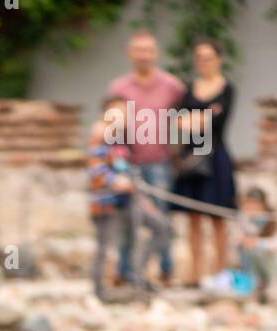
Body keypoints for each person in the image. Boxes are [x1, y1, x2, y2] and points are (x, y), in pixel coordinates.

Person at [107, 31, 185, 285]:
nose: (143, 55)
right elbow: (111, 125)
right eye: (138, 50)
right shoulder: (119, 87)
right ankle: (125, 271)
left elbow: (188, 115)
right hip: (127, 164)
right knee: (127, 220)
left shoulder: (172, 86)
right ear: (130, 54)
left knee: (161, 218)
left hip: (160, 162)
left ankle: (165, 269)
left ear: (156, 53)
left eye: (148, 50)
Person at [89, 97, 171, 301]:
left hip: (129, 202)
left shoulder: (122, 141)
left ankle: (138, 278)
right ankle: (100, 291)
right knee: (105, 247)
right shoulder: (100, 137)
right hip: (107, 203)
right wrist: (114, 180)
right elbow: (95, 169)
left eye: (124, 113)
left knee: (161, 227)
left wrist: (143, 199)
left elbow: (131, 172)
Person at [173, 37, 237, 287]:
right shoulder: (190, 88)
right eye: (199, 57)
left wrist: (195, 119)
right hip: (193, 157)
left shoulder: (227, 88)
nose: (203, 62)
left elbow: (212, 123)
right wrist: (202, 117)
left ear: (218, 59)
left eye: (208, 57)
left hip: (216, 157)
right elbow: (179, 121)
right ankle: (195, 273)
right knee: (193, 217)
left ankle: (220, 271)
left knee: (218, 217)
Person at [237, 187, 277, 302]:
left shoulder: (271, 219)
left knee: (262, 252)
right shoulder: (245, 220)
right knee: (248, 252)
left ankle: (273, 287)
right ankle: (255, 285)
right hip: (254, 264)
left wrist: (259, 243)